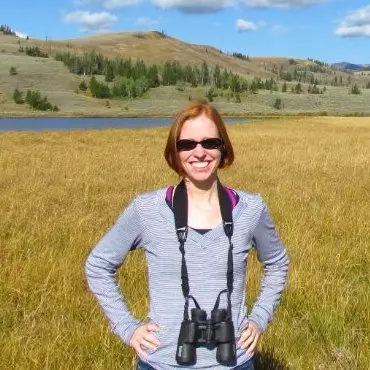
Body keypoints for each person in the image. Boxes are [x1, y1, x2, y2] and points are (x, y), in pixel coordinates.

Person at [85, 100, 289, 370]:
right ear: (175, 152)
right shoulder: (147, 210)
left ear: (223, 147)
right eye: (187, 144)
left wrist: (259, 318)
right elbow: (98, 265)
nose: (200, 152)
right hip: (161, 362)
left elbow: (277, 263)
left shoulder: (250, 210)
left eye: (210, 143)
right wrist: (127, 328)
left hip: (234, 362)